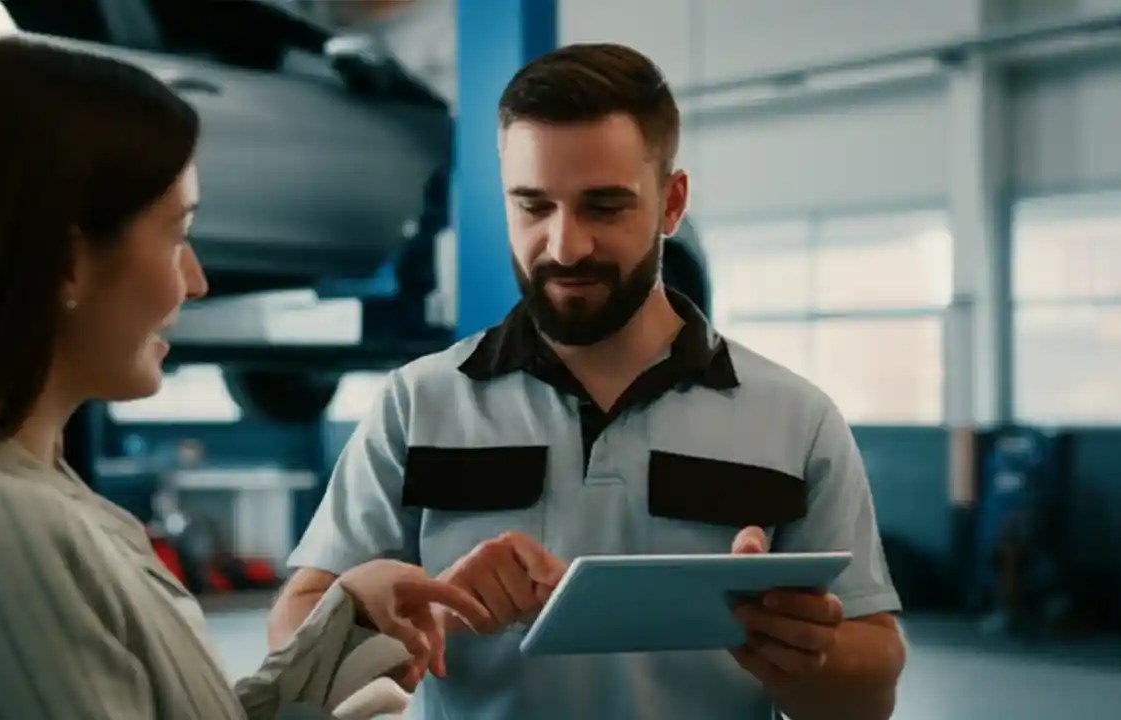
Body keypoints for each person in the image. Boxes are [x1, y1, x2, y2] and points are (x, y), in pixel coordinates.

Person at [270, 42, 907, 719]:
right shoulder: (416, 404)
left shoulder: (794, 419)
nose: (566, 245)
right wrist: (420, 615)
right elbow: (293, 643)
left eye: (604, 208)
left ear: (671, 202)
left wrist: (802, 648)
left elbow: (870, 692)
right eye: (534, 207)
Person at [0, 38, 492, 720]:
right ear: (66, 263)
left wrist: (341, 634)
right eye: (176, 235)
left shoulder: (29, 498)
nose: (195, 282)